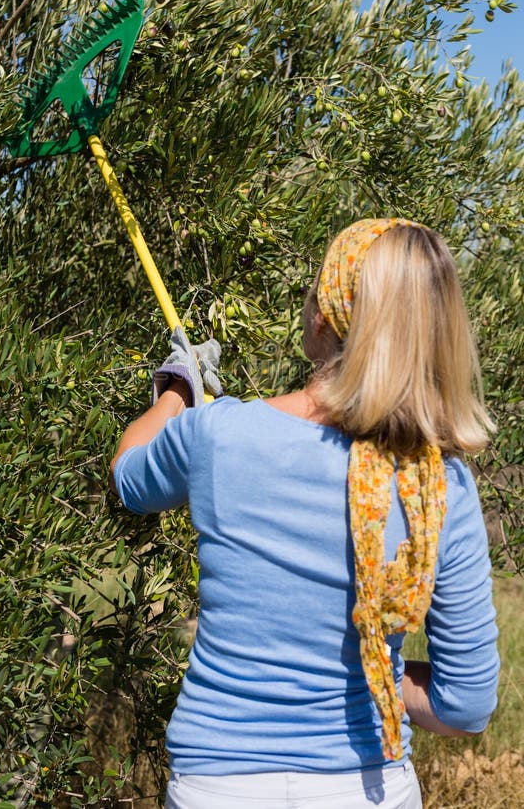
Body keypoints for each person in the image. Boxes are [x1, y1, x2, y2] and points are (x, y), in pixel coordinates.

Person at [110, 218, 500, 809]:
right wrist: (383, 678)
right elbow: (466, 706)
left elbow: (129, 476)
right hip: (368, 790)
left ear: (323, 315)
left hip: (221, 787)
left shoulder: (220, 434)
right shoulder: (440, 482)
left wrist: (177, 388)